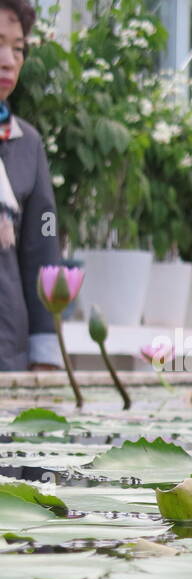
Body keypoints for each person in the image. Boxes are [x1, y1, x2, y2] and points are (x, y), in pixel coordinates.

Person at [0, 0, 59, 372]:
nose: (8, 59)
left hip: (8, 359)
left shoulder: (27, 143)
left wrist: (46, 355)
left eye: (18, 48)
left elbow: (43, 245)